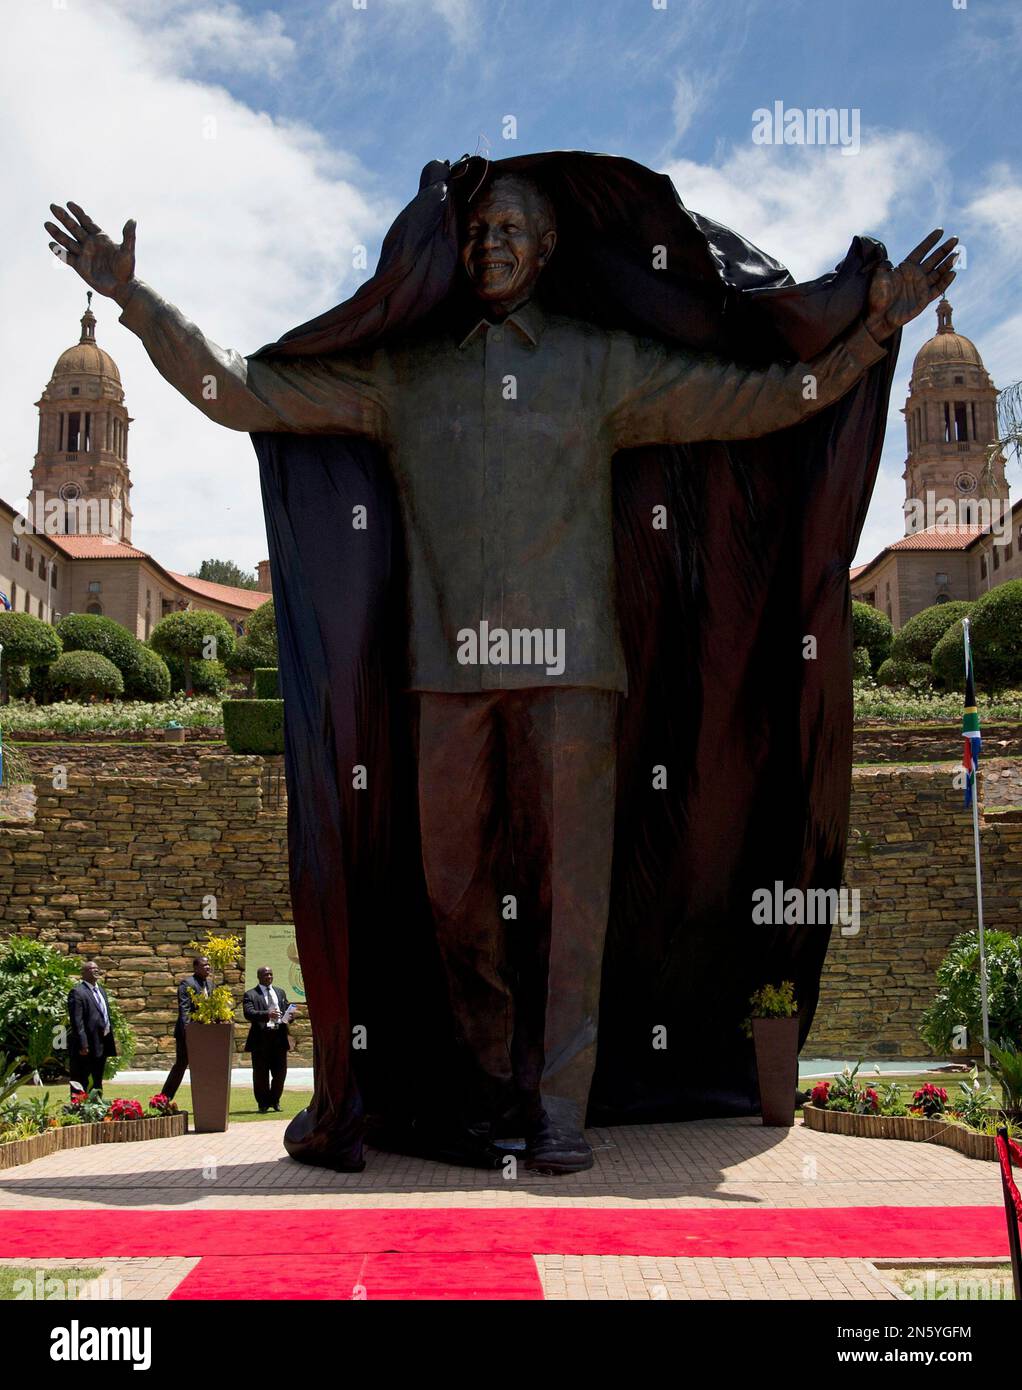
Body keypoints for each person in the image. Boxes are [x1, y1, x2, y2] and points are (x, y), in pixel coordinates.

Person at [44, 175, 955, 1174]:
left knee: (576, 904)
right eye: (475, 229)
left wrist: (867, 341)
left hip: (574, 679)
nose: (490, 244)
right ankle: (487, 1096)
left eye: (511, 227)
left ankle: (558, 1109)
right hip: (446, 680)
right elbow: (240, 391)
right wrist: (135, 302)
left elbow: (760, 404)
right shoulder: (403, 377)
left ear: (548, 240)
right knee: (451, 897)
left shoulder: (601, 365)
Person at [242, 966, 295, 1113]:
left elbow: (285, 1009)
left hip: (279, 1038)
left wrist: (290, 1016)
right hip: (261, 1040)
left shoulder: (280, 992)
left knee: (280, 1073)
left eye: (271, 974)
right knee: (261, 1074)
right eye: (266, 975)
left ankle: (275, 1100)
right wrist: (267, 1014)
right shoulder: (250, 994)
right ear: (259, 977)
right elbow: (249, 1013)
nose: (269, 977)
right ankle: (263, 1103)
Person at [161, 955, 212, 1101]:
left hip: (206, 1034)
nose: (208, 967)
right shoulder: (187, 984)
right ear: (195, 968)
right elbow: (184, 1010)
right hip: (188, 1034)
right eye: (204, 965)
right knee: (181, 1065)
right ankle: (164, 1098)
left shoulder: (211, 985)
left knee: (206, 1067)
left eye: (208, 965)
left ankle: (206, 1100)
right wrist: (188, 1032)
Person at [67, 960, 116, 1096]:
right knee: (82, 1079)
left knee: (97, 1079)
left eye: (97, 968)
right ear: (83, 973)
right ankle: (79, 1110)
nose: (95, 970)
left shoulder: (101, 990)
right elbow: (77, 1021)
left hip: (101, 1043)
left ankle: (97, 1107)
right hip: (86, 1045)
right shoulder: (77, 992)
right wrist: (83, 1044)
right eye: (91, 968)